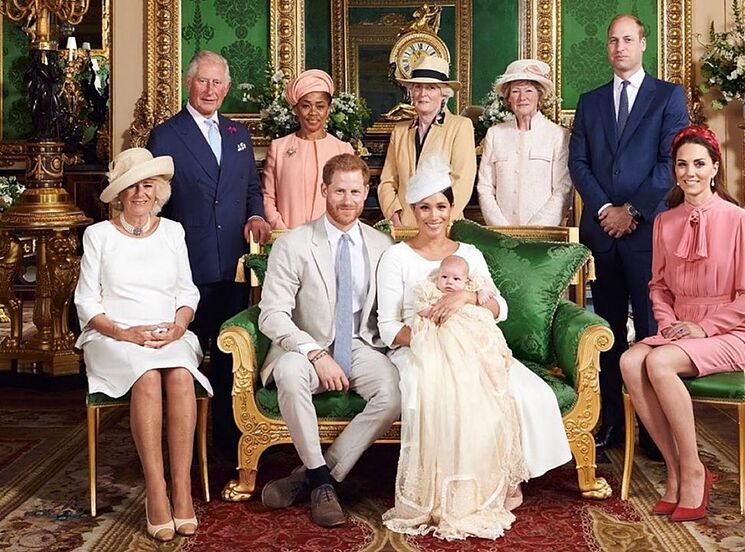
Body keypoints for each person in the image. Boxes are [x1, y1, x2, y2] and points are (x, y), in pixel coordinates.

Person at [377, 155, 571, 540]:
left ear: (452, 209)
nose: (433, 216)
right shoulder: (395, 257)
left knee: (521, 390)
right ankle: (447, 493)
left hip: (476, 346)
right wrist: (435, 340)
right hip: (420, 348)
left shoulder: (469, 254)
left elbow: (501, 309)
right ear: (413, 210)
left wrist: (466, 297)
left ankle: (498, 481)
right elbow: (388, 328)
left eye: (441, 206)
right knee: (444, 394)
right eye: (424, 207)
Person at [620, 125, 745, 522]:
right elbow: (658, 286)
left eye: (699, 164)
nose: (690, 173)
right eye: (682, 165)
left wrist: (704, 328)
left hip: (727, 332)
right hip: (678, 329)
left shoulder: (741, 220)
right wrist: (668, 323)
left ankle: (694, 469)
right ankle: (675, 470)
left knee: (659, 361)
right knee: (630, 361)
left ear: (715, 168)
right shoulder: (665, 222)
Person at [75, 148, 212, 542]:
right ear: (120, 193)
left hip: (169, 333)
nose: (140, 194)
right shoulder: (98, 235)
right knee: (148, 376)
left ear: (159, 191)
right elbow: (87, 302)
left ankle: (181, 489)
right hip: (113, 335)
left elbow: (187, 292)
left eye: (147, 186)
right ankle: (156, 490)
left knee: (181, 376)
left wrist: (179, 325)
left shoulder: (173, 232)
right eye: (132, 186)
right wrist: (126, 333)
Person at [257, 153, 400, 528]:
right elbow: (272, 314)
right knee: (289, 372)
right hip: (306, 346)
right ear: (324, 190)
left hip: (360, 344)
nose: (347, 200)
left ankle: (315, 476)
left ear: (366, 192)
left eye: (355, 192)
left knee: (392, 393)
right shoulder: (294, 244)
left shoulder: (383, 245)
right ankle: (322, 483)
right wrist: (315, 353)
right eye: (339, 191)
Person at [568, 14, 689, 459]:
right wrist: (605, 210)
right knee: (606, 331)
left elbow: (669, 162)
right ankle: (610, 423)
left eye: (627, 39)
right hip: (603, 233)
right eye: (613, 41)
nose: (619, 47)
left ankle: (656, 430)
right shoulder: (590, 102)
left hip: (647, 233)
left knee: (653, 330)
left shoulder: (667, 96)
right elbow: (578, 162)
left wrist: (632, 211)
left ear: (642, 44)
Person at [147, 50, 270, 456]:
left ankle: (228, 444)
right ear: (189, 83)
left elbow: (251, 189)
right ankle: (184, 445)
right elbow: (155, 202)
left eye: (218, 83)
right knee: (185, 356)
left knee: (231, 356)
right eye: (203, 81)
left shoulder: (238, 134)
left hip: (233, 264)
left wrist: (256, 216)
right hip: (187, 265)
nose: (210, 90)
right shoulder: (166, 135)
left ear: (227, 88)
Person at [378, 55, 476, 227]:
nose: (423, 94)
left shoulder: (460, 126)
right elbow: (388, 180)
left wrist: (441, 219)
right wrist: (394, 214)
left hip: (443, 225)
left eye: (430, 88)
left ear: (443, 94)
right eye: (418, 87)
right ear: (411, 92)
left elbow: (463, 180)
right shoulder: (400, 131)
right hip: (404, 225)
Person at [477, 59, 573, 226]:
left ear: (539, 96)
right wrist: (502, 229)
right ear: (508, 99)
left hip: (544, 233)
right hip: (501, 233)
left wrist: (536, 231)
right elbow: (485, 188)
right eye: (515, 91)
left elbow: (563, 189)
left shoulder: (557, 135)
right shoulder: (495, 134)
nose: (522, 98)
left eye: (529, 90)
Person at [261, 69, 354, 229]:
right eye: (306, 106)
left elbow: (349, 199)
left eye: (320, 106)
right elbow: (267, 196)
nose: (313, 113)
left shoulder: (343, 149)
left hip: (330, 236)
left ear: (329, 109)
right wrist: (282, 231)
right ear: (296, 109)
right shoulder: (278, 148)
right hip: (287, 235)